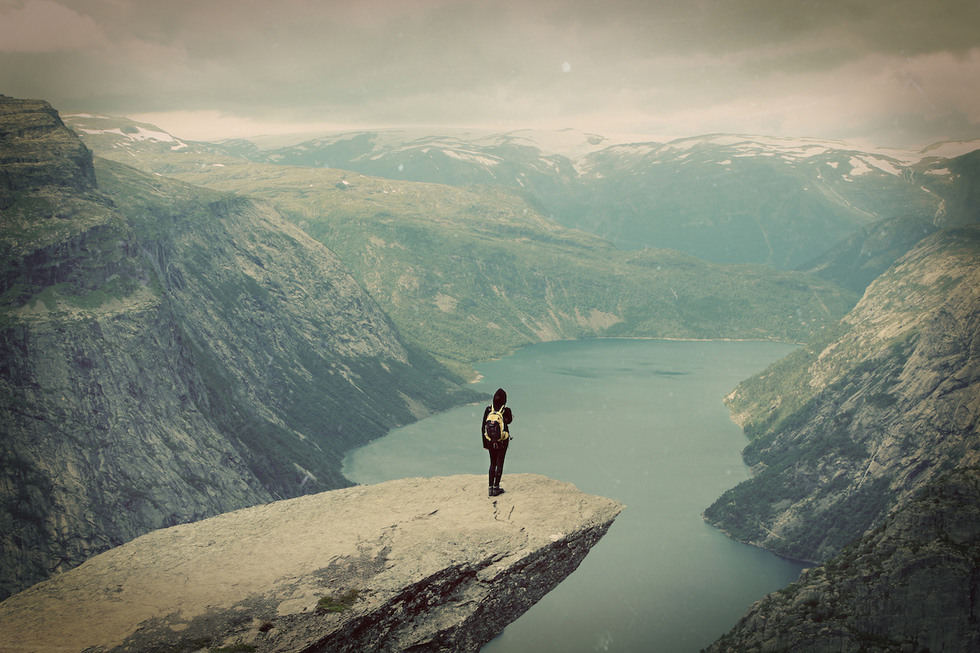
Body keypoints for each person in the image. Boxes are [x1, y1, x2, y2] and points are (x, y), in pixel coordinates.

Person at [482, 387, 513, 497]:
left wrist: (485, 443)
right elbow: (509, 421)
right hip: (502, 441)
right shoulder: (506, 410)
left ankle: (490, 488)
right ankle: (496, 487)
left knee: (492, 463)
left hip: (490, 441)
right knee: (499, 463)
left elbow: (483, 426)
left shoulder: (488, 409)